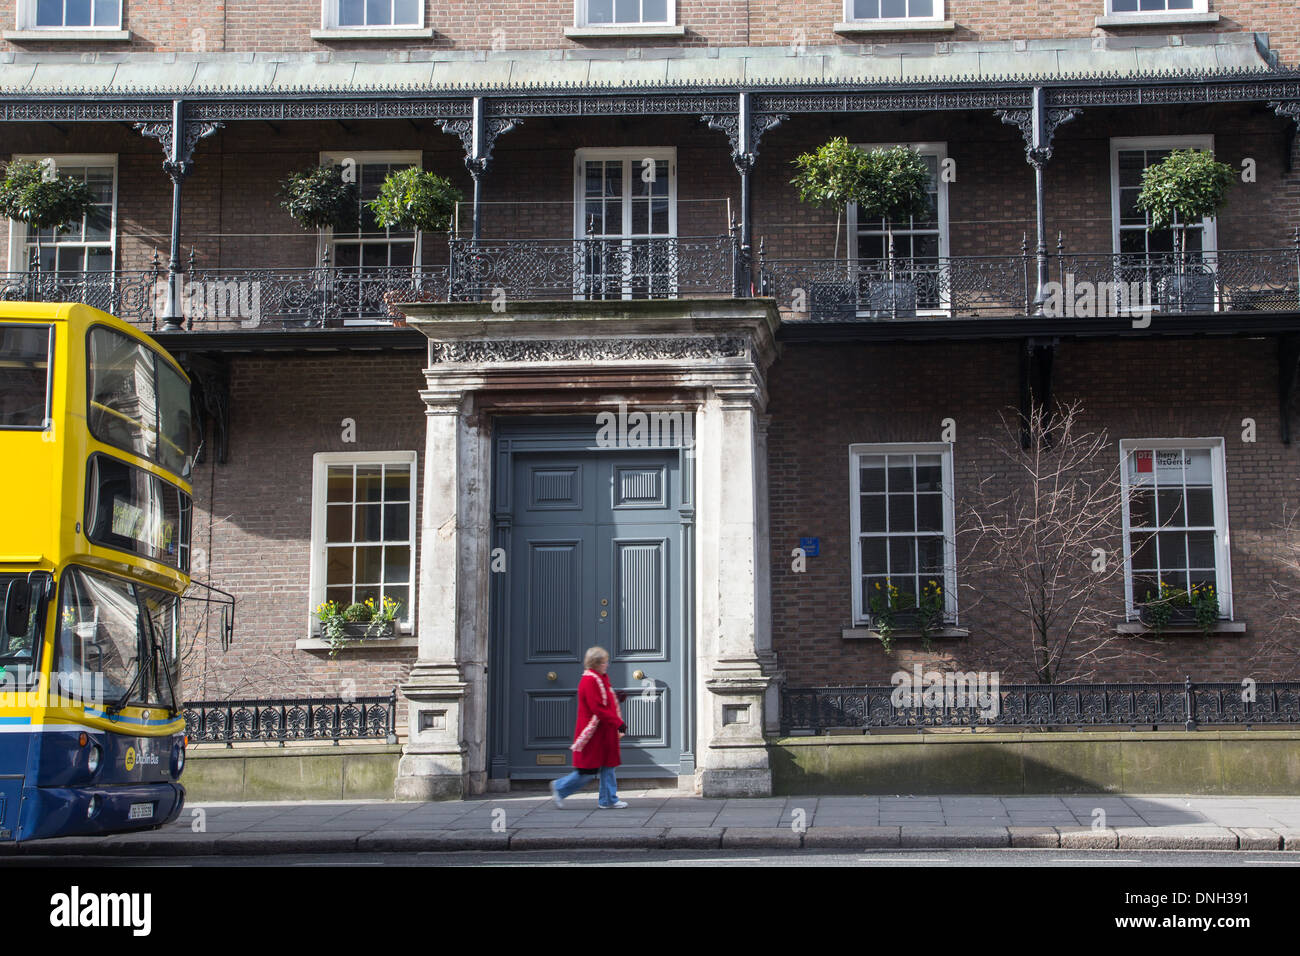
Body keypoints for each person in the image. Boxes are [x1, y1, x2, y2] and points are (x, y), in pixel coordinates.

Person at [551, 646, 628, 809]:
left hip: (603, 731)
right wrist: (618, 722)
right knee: (587, 771)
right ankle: (560, 787)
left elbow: (604, 701)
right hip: (594, 733)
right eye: (604, 662)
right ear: (596, 663)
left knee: (608, 765)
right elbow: (598, 708)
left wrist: (617, 698)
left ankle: (608, 799)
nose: (607, 665)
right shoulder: (590, 680)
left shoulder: (599, 678)